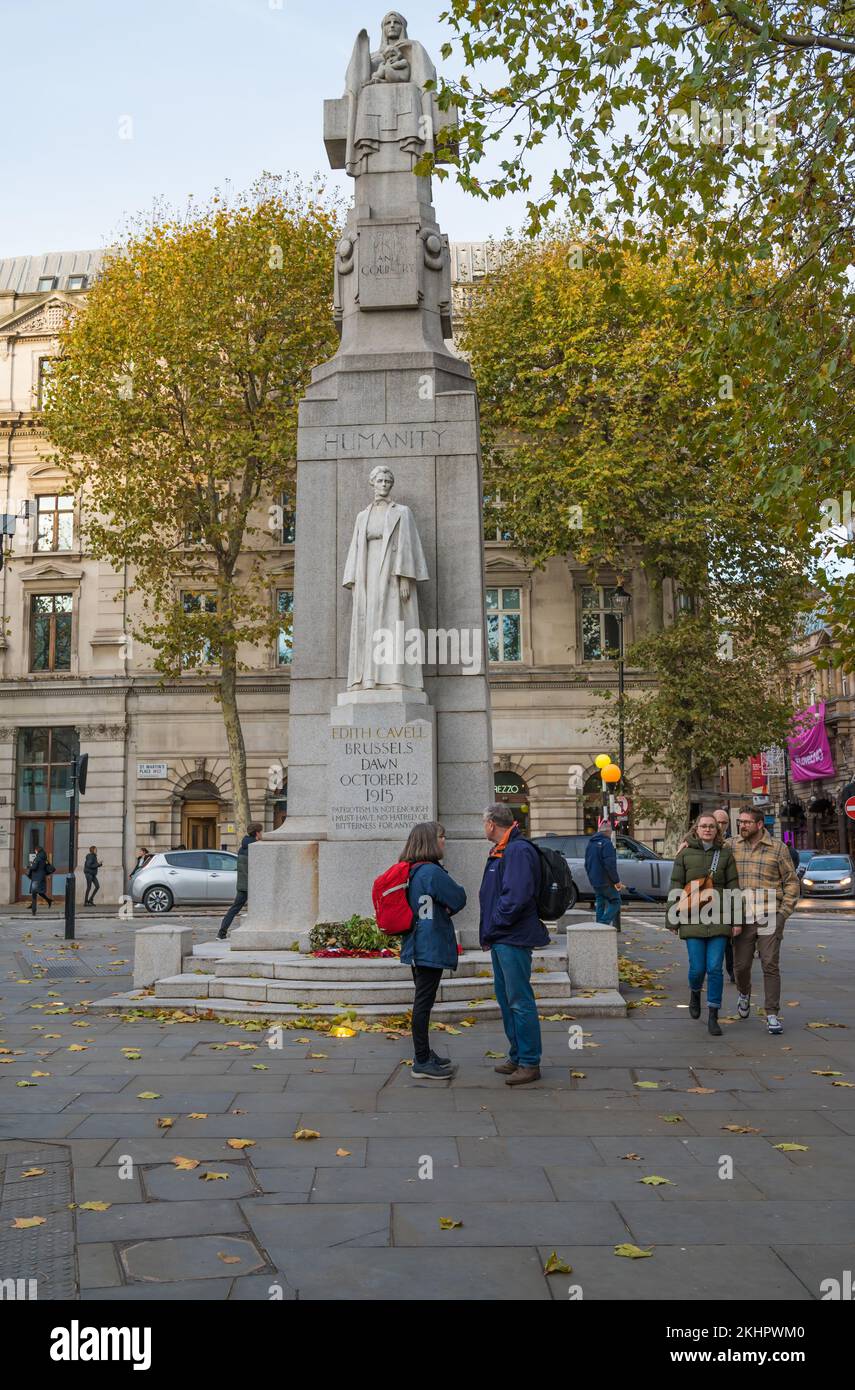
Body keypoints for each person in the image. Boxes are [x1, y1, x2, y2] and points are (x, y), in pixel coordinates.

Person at [479, 803, 550, 1086]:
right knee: (507, 999)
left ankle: (530, 1062)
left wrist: (496, 922)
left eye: (483, 823)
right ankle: (518, 1055)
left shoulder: (518, 850)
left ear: (491, 824)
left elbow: (516, 896)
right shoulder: (504, 849)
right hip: (502, 936)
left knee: (519, 1000)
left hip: (512, 936)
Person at [400, 820, 467, 1079]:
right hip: (430, 943)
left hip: (416, 942)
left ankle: (425, 1053)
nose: (444, 841)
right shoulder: (431, 872)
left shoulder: (412, 870)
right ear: (430, 841)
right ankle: (421, 1059)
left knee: (423, 1001)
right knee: (423, 1003)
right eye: (441, 836)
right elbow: (459, 897)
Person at [668, 813, 742, 1036]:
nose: (708, 829)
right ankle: (694, 992)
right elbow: (675, 885)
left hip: (719, 918)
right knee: (697, 969)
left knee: (715, 968)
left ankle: (713, 1014)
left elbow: (733, 888)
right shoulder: (684, 854)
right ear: (696, 829)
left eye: (712, 826)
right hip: (692, 918)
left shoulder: (726, 854)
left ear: (717, 831)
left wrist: (736, 920)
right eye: (704, 826)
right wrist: (672, 918)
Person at [730, 806, 800, 1035]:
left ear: (760, 824)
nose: (742, 826)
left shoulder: (778, 849)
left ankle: (771, 1014)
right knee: (741, 967)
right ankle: (744, 993)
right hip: (742, 916)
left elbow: (791, 881)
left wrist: (783, 913)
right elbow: (705, 845)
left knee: (770, 964)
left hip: (770, 913)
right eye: (740, 822)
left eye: (747, 822)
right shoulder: (732, 845)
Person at [217, 823, 262, 940]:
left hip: (242, 884)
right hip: (252, 885)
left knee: (234, 909)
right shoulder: (255, 848)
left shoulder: (243, 848)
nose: (262, 834)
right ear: (257, 833)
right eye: (261, 832)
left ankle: (221, 933)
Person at [585, 818, 624, 930]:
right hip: (606, 880)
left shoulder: (591, 843)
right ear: (608, 832)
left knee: (600, 902)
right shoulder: (607, 844)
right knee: (616, 901)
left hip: (595, 880)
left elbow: (586, 863)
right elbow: (610, 865)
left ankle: (598, 927)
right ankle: (603, 924)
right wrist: (616, 881)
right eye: (611, 831)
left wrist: (591, 877)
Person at [711, 808, 737, 982]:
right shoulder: (700, 841)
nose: (721, 826)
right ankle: (714, 968)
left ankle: (731, 970)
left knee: (729, 939)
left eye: (724, 823)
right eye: (717, 822)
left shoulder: (734, 843)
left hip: (728, 896)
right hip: (708, 898)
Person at [28, 845, 52, 914]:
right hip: (41, 876)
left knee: (34, 893)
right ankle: (48, 900)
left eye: (35, 850)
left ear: (37, 850)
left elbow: (34, 867)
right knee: (39, 892)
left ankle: (33, 910)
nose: (35, 851)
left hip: (36, 877)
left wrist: (29, 866)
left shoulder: (38, 857)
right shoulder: (44, 857)